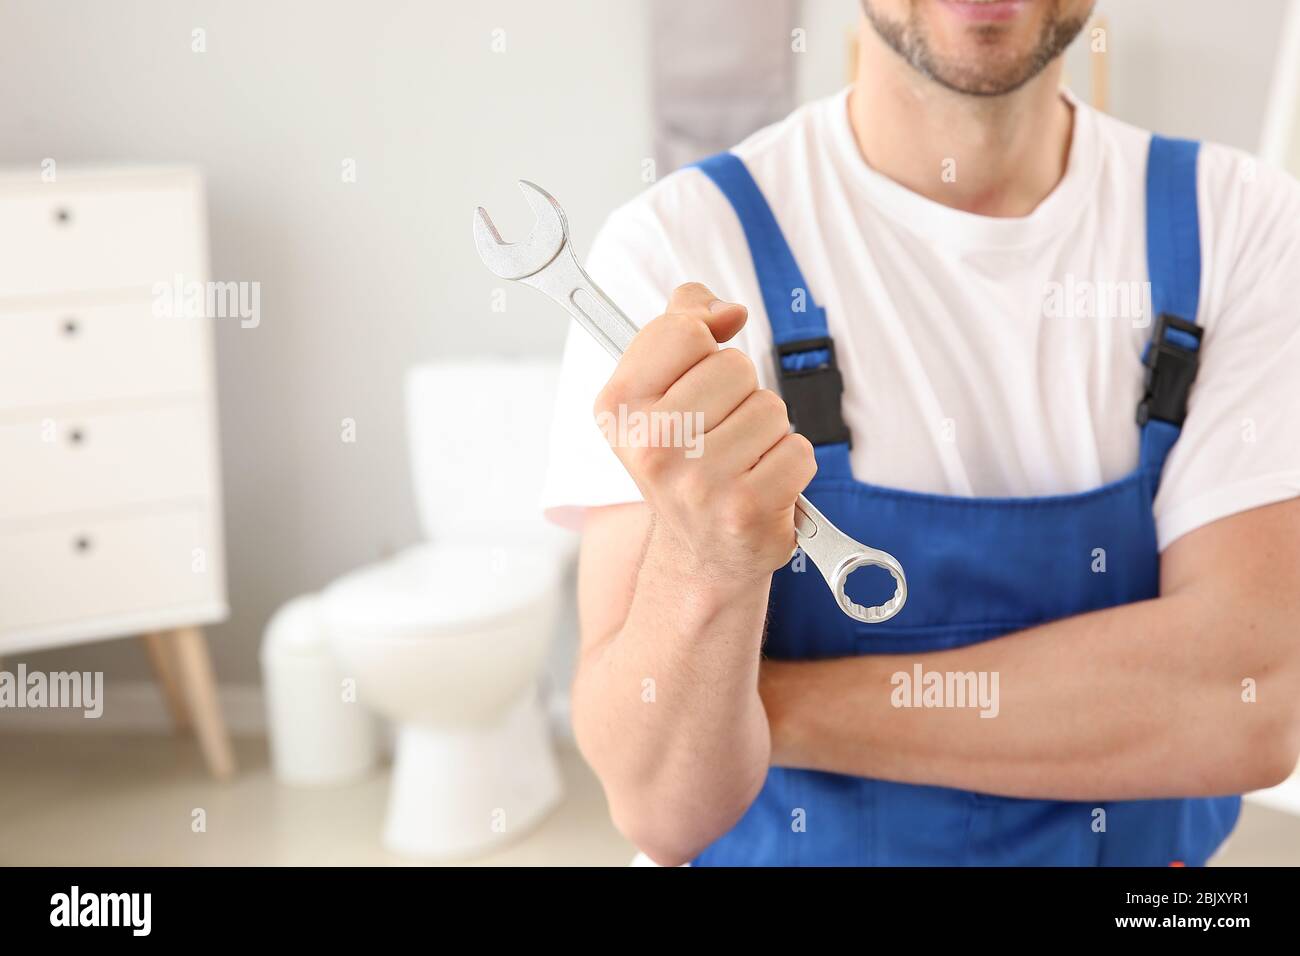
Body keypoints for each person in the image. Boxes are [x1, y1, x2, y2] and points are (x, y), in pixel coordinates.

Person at [542, 0, 1300, 866]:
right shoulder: (674, 246)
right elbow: (660, 807)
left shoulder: (1244, 229)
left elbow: (1246, 705)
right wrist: (703, 560)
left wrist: (760, 709)